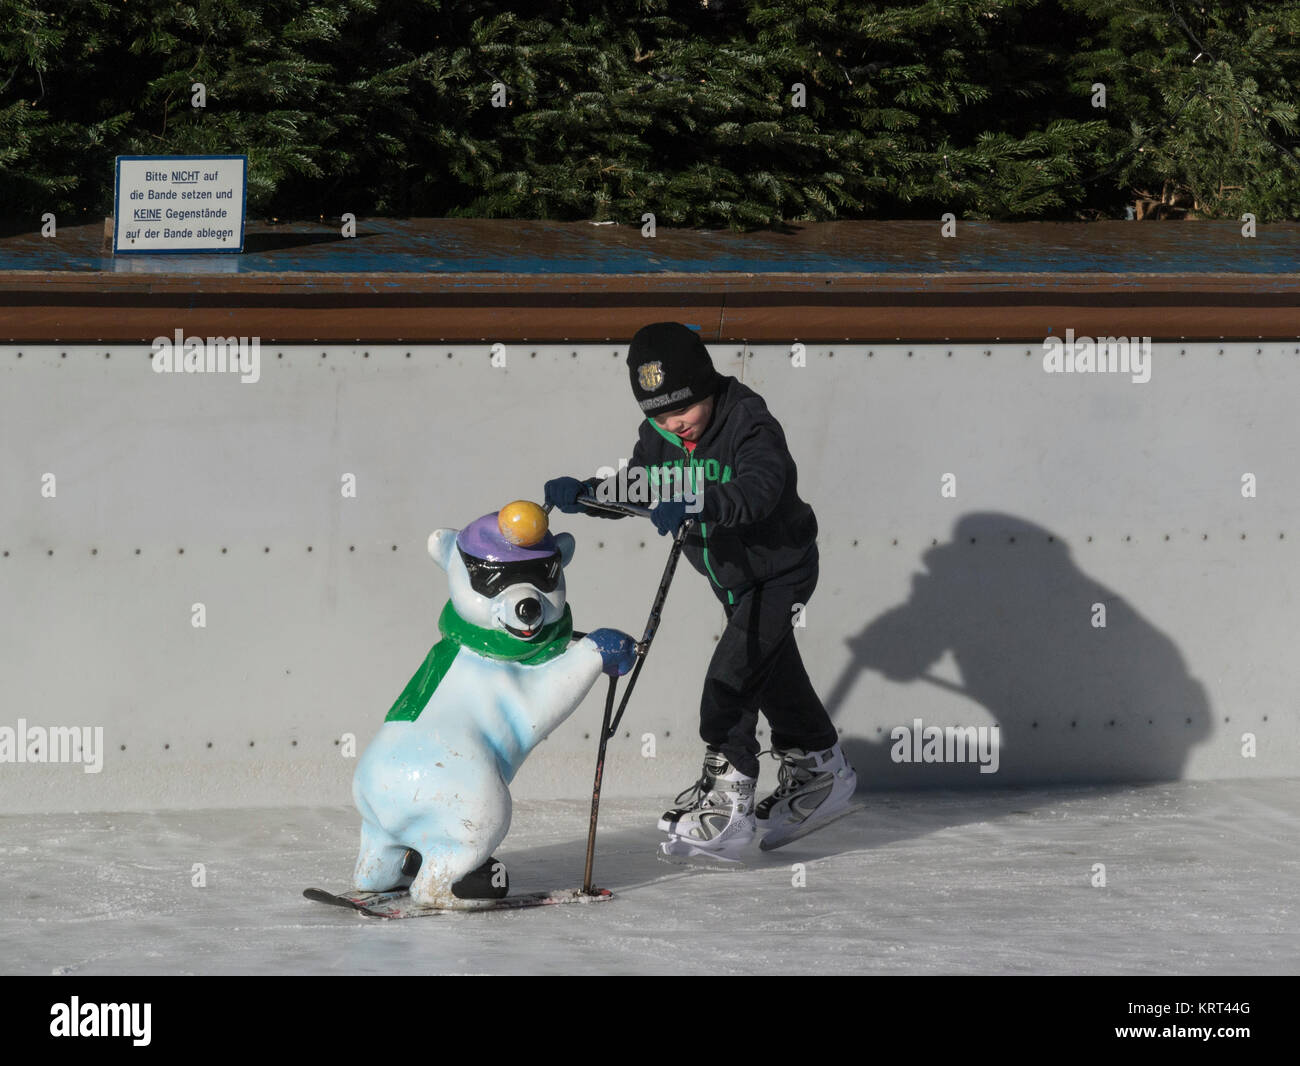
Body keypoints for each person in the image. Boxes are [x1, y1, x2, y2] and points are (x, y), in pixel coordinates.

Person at [544, 321, 857, 859]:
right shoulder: (661, 436)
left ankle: (729, 804)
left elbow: (759, 490)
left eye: (682, 410)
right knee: (773, 674)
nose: (674, 424)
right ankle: (821, 772)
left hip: (780, 570)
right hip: (730, 578)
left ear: (707, 384)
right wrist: (590, 495)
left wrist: (697, 502)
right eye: (659, 415)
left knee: (730, 681)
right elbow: (642, 487)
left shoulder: (748, 421)